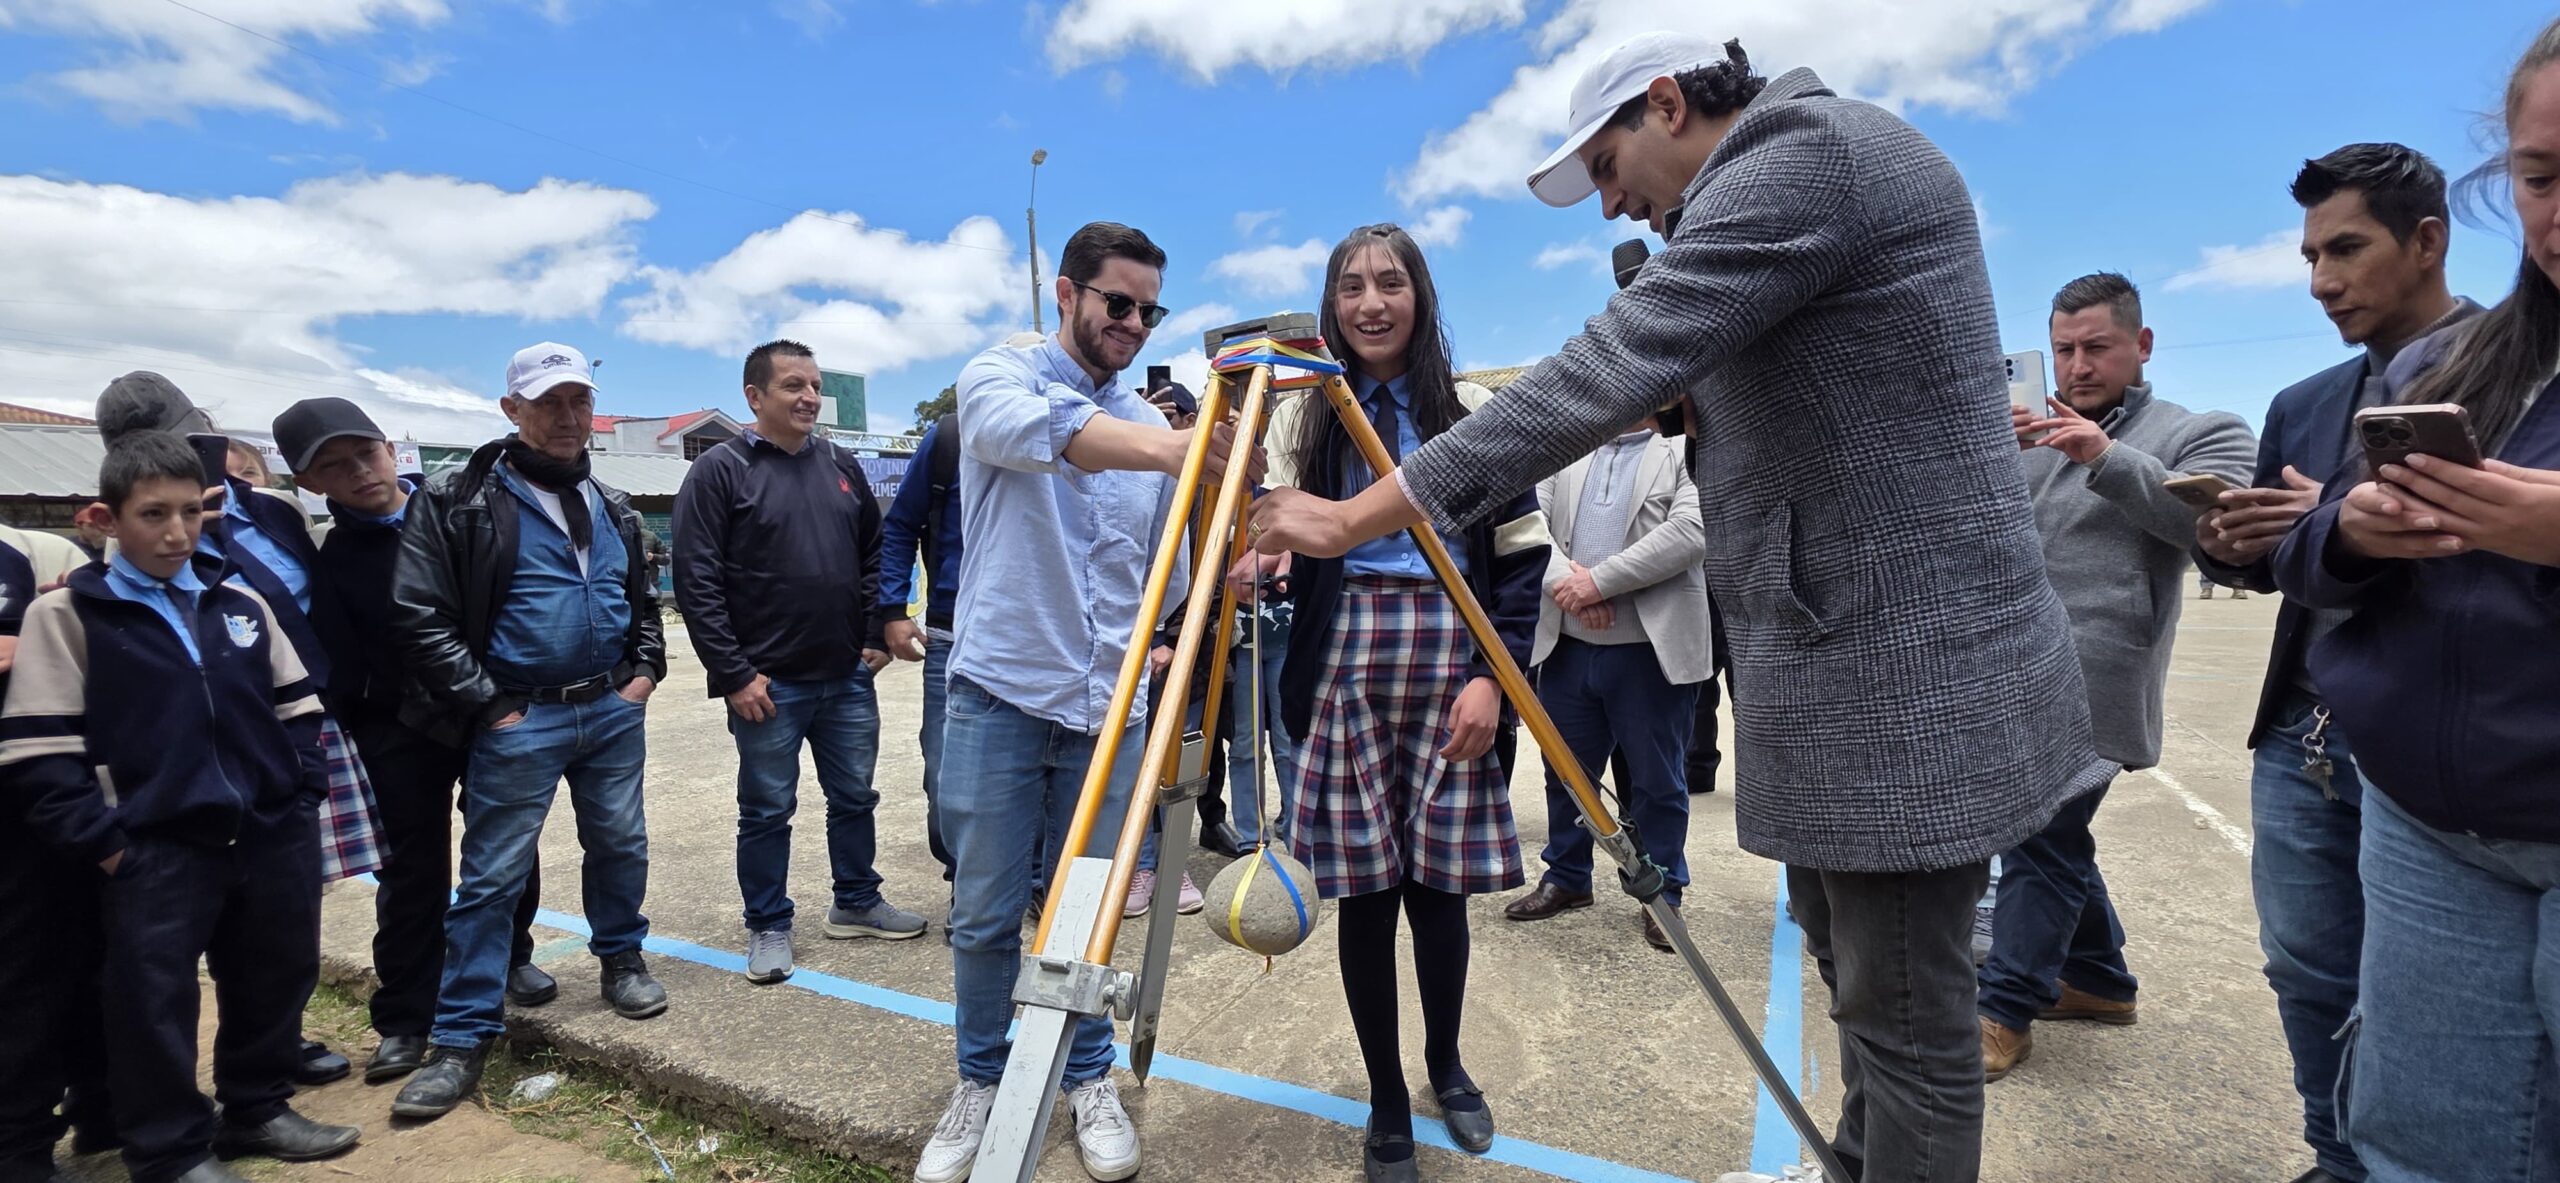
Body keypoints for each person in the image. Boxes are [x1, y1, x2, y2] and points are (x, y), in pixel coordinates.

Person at [1248, 34, 2109, 1183]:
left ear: (1665, 104)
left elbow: (1607, 367)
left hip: (1896, 678)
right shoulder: (1794, 181)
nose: (1614, 205)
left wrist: (1353, 519)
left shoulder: (1804, 157)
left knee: (1907, 1022)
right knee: (1865, 993)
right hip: (1837, 668)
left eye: (1608, 169)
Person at [2272, 23, 2560, 1178]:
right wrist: (2349, 529)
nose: (2556, 211)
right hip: (2431, 824)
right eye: (2541, 176)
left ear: (2430, 238)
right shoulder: (2467, 366)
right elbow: (2305, 557)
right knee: (2415, 1140)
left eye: (2344, 248)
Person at [913, 222, 1254, 1183]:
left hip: (1110, 707)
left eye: (1150, 310)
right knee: (986, 911)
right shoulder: (1000, 377)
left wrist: (1159, 637)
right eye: (1118, 303)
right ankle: (981, 1078)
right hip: (1000, 694)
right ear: (1067, 294)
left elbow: (1167, 567)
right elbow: (1043, 435)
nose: (1134, 324)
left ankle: (1087, 1073)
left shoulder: (1149, 425)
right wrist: (1177, 447)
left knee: (1090, 910)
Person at [1232, 223, 1548, 1181]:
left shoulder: (1474, 413)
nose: (1371, 303)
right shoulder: (1306, 418)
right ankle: (1385, 1097)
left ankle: (1446, 1065)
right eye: (1351, 286)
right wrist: (1262, 551)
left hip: (1454, 655)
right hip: (1344, 660)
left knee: (1439, 893)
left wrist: (1495, 677)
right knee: (1366, 896)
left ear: (1421, 296)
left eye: (1391, 282)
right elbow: (1269, 525)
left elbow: (1521, 559)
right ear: (1331, 305)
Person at [2193, 143, 2477, 1183]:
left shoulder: (2514, 370)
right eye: (2310, 256)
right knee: (2306, 970)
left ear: (2427, 241)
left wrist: (2335, 514)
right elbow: (2278, 561)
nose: (2321, 280)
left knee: (2435, 999)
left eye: (2346, 250)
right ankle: (2336, 1158)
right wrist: (2227, 542)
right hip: (2300, 735)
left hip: (2432, 739)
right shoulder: (2305, 400)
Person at [2, 431, 365, 1183]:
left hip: (267, 834)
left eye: (191, 512)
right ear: (107, 518)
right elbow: (40, 751)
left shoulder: (237, 600)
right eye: (153, 514)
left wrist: (298, 797)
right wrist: (108, 846)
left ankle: (257, 1106)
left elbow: (298, 707)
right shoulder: (68, 615)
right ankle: (169, 1149)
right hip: (155, 845)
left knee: (274, 974)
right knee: (153, 1001)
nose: (176, 532)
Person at [1976, 274, 2258, 1080]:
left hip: (2100, 675)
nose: (2078, 365)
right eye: (2063, 348)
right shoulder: (2024, 433)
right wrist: (1985, 453)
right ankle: (2100, 979)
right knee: (2051, 837)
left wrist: (2102, 455)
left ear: (2143, 344)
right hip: (2010, 669)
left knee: (2040, 837)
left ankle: (2003, 1009)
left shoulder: (2200, 430)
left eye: (2096, 346)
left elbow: (2221, 530)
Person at [388, 342, 669, 1121]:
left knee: (621, 843)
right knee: (491, 878)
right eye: (549, 402)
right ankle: (461, 1037)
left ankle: (621, 959)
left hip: (610, 709)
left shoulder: (612, 502)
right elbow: (417, 613)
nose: (568, 417)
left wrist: (644, 671)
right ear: (512, 409)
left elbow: (640, 598)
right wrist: (490, 704)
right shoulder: (458, 498)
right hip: (518, 715)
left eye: (580, 400)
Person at [95, 372, 379, 1086]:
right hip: (215, 739)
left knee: (288, 900)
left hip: (307, 716)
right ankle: (207, 1085)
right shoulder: (139, 542)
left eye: (190, 439)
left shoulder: (275, 511)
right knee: (211, 910)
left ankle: (277, 1040)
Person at [270, 397, 557, 1087]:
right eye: (334, 466)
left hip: (486, 711)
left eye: (365, 453)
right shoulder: (328, 557)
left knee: (505, 848)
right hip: (395, 729)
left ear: (392, 449)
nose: (359, 472)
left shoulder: (465, 515)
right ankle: (405, 1014)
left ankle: (511, 955)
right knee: (409, 872)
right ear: (308, 483)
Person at [675, 338, 919, 987]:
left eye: (814, 386)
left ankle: (857, 900)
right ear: (754, 396)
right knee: (765, 810)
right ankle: (768, 923)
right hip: (767, 685)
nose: (809, 397)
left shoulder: (840, 464)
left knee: (855, 796)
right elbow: (696, 580)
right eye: (793, 386)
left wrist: (873, 633)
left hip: (845, 676)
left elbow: (873, 553)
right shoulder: (719, 472)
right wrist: (733, 673)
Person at [1505, 412, 1709, 955]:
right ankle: (1567, 876)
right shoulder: (1563, 451)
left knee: (1657, 782)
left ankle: (1662, 895)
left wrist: (1597, 583)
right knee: (1566, 775)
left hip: (1649, 652)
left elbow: (1690, 532)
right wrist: (1569, 588)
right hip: (1568, 648)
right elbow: (1526, 527)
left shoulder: (1685, 450)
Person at [0, 522, 112, 1183]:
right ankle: (18, 1147)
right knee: (18, 970)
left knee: (94, 948)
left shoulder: (27, 551)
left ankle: (104, 1104)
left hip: (58, 782)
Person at [878, 410, 965, 891]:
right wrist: (893, 609)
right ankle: (965, 881)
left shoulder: (1069, 433)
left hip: (1039, 639)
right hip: (952, 638)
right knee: (946, 770)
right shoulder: (952, 438)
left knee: (1042, 770)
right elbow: (900, 526)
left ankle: (1032, 881)